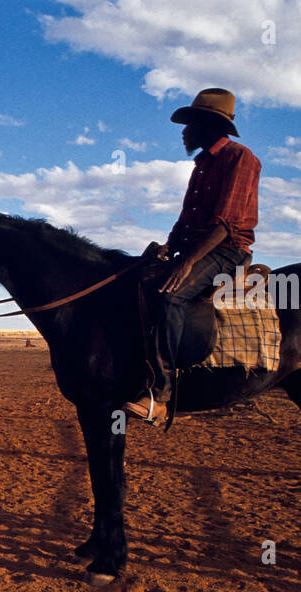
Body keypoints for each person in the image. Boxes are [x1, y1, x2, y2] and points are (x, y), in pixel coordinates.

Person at [125, 88, 261, 424]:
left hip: (227, 249)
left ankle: (161, 392)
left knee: (172, 295)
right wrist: (169, 247)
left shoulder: (241, 158)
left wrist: (187, 262)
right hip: (195, 248)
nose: (184, 131)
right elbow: (186, 218)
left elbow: (226, 223)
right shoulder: (201, 164)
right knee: (141, 282)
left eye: (189, 124)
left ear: (206, 124)